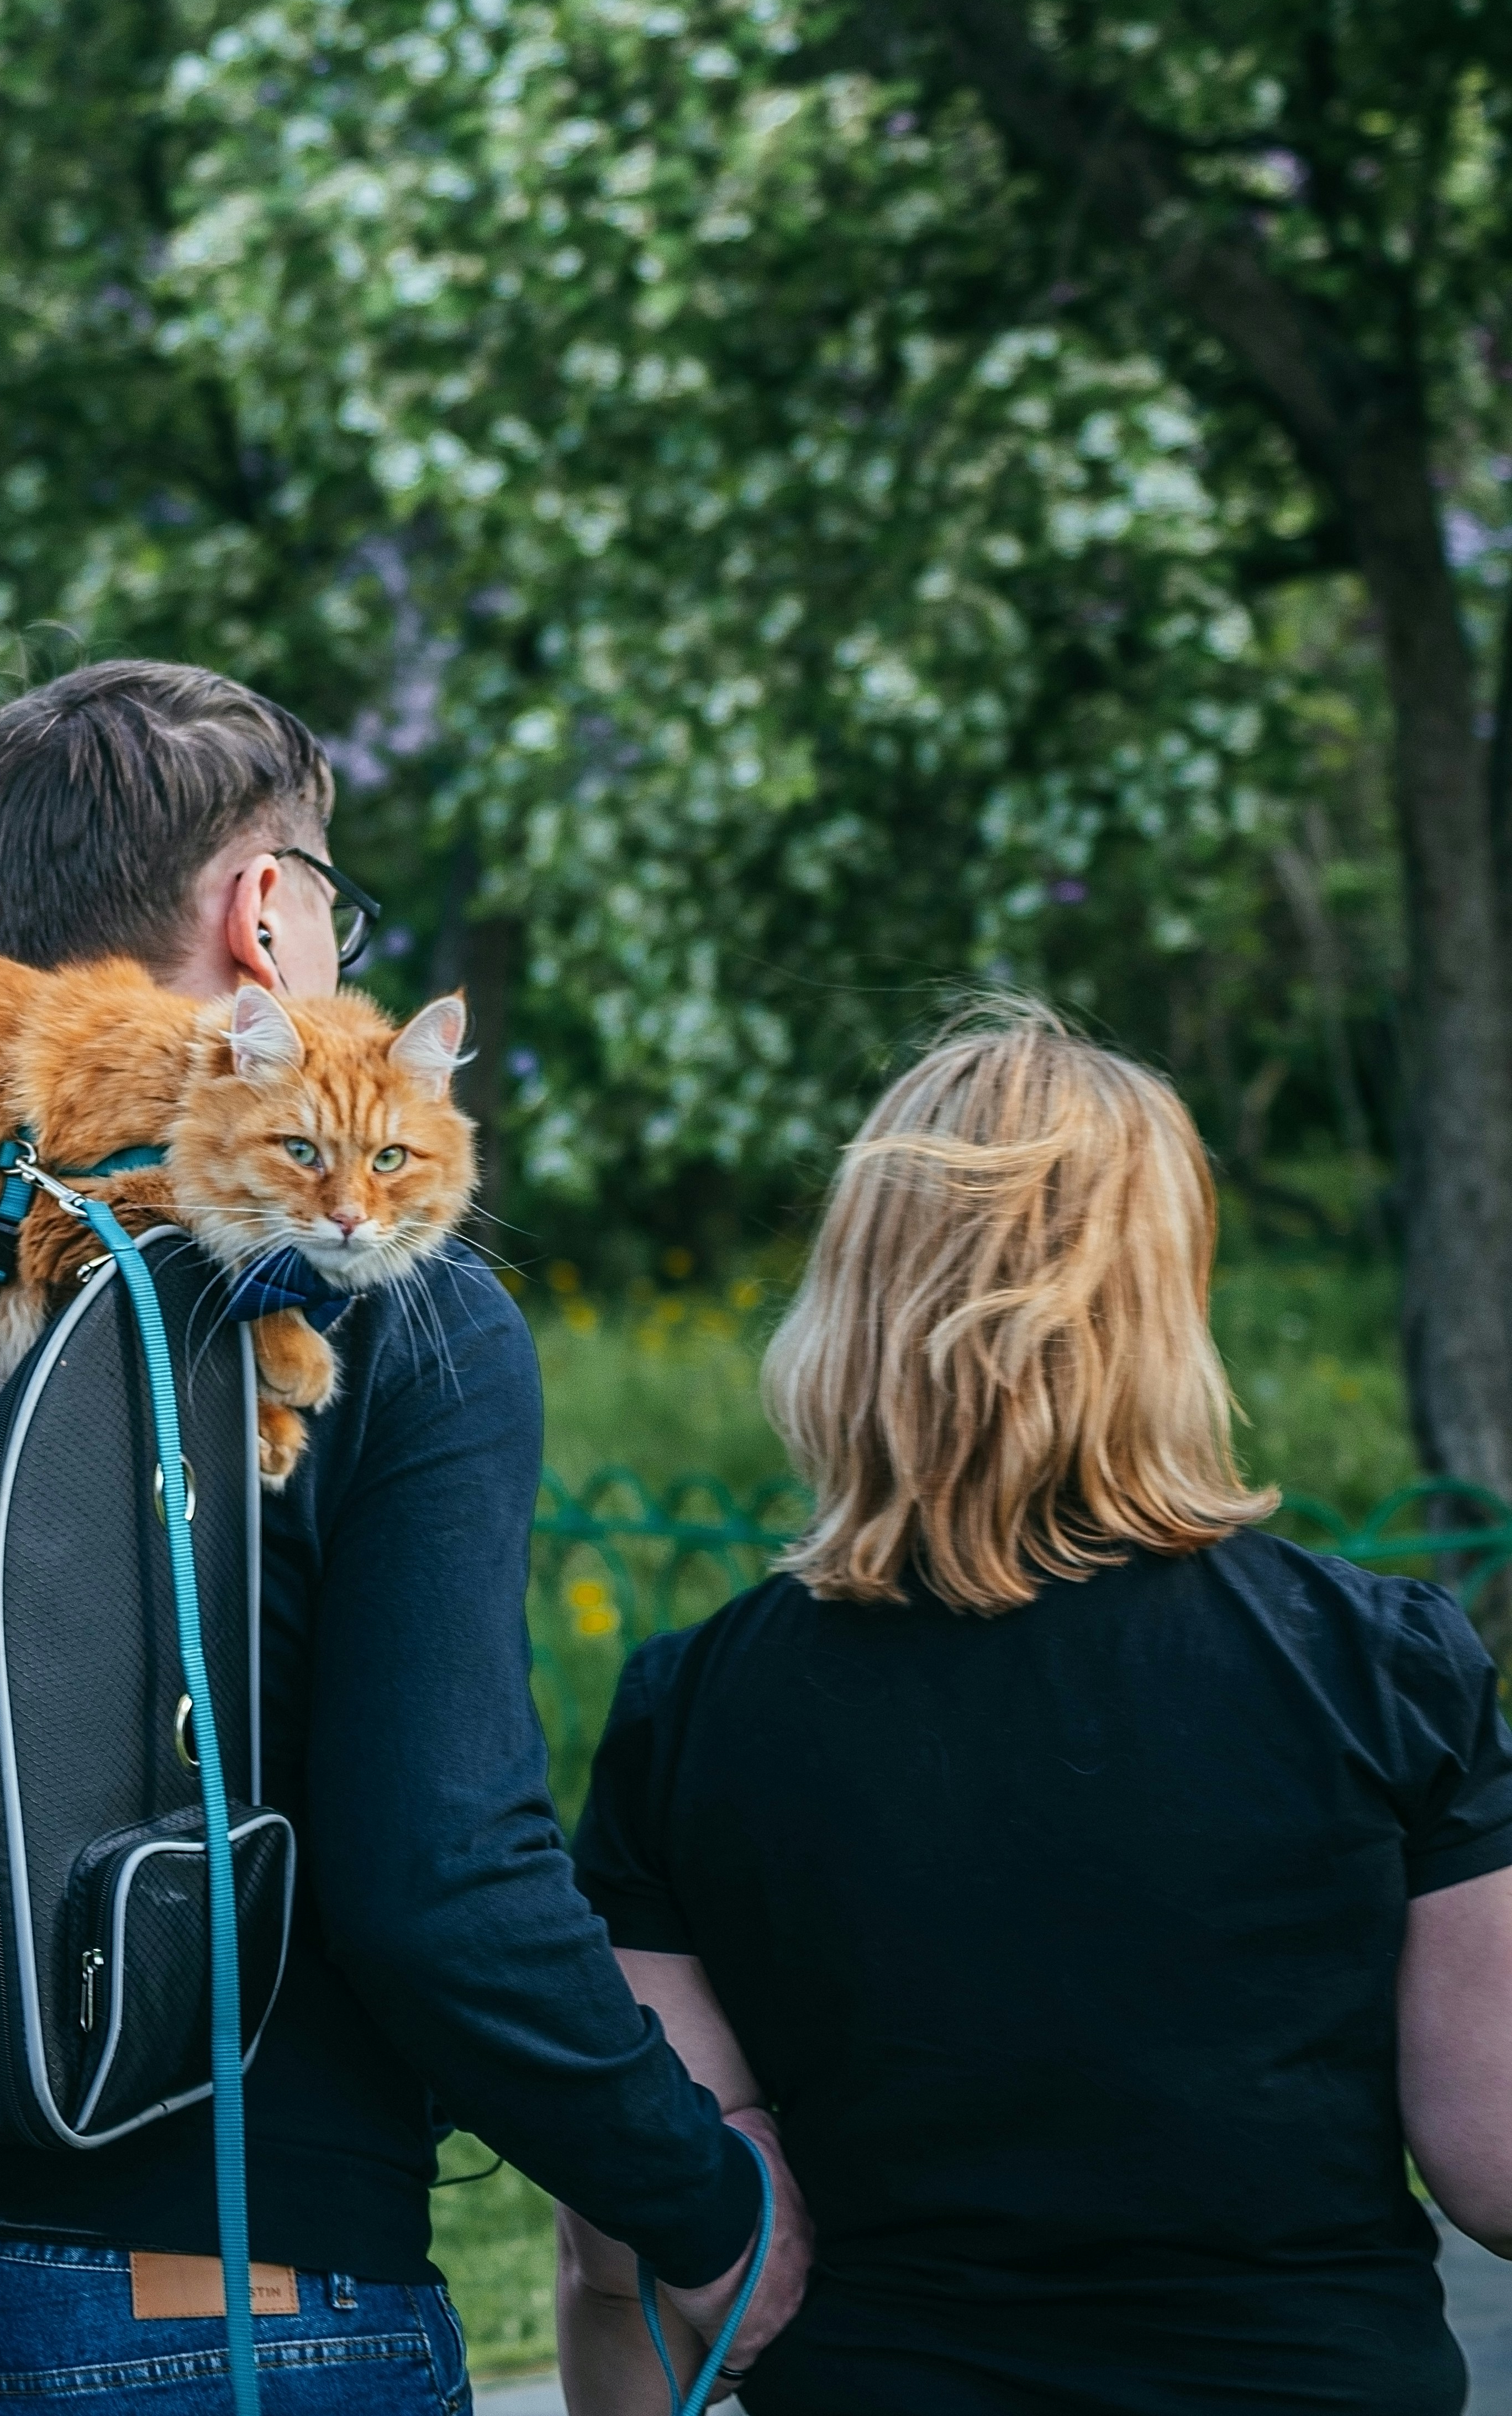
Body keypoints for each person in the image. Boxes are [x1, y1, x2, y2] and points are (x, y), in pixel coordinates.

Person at [0, 660, 800, 2415]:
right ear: (268, 912)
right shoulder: (374, 1306)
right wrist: (697, 2198)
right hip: (231, 2286)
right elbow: (439, 1877)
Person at [554, 1003, 1512, 2416]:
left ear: (858, 1292)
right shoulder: (1383, 1663)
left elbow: (624, 2241)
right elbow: (1494, 2160)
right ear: (1165, 1297)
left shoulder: (694, 1705)